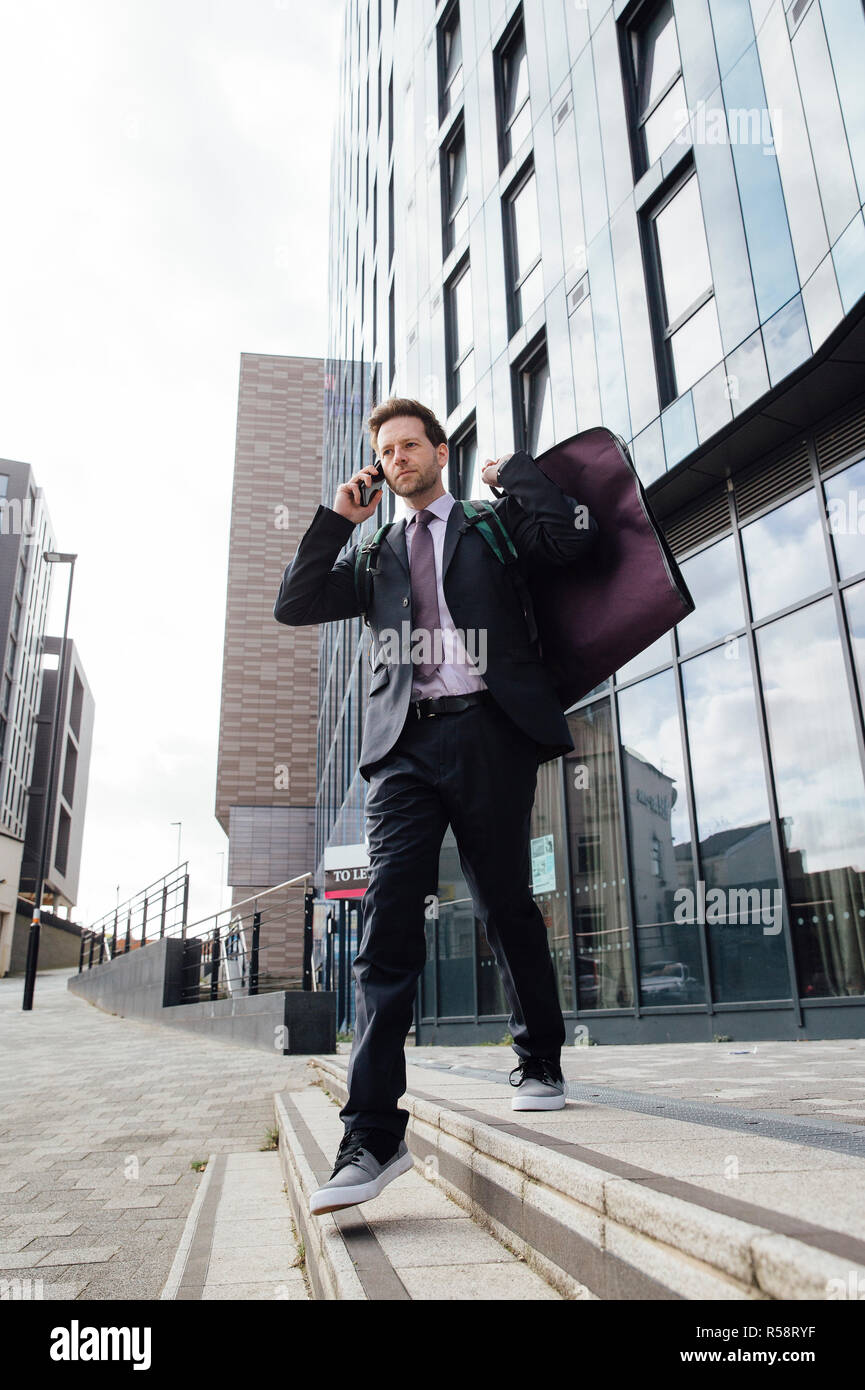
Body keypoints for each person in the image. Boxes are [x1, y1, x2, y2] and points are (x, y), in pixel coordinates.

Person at [273, 397, 598, 1215]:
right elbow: (296, 600)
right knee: (385, 924)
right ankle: (372, 1136)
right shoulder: (375, 548)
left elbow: (576, 538)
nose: (395, 460)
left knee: (504, 905)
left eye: (408, 445)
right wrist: (333, 518)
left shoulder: (493, 526)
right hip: (404, 750)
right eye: (384, 451)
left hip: (490, 732)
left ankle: (539, 1059)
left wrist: (517, 475)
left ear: (440, 451)